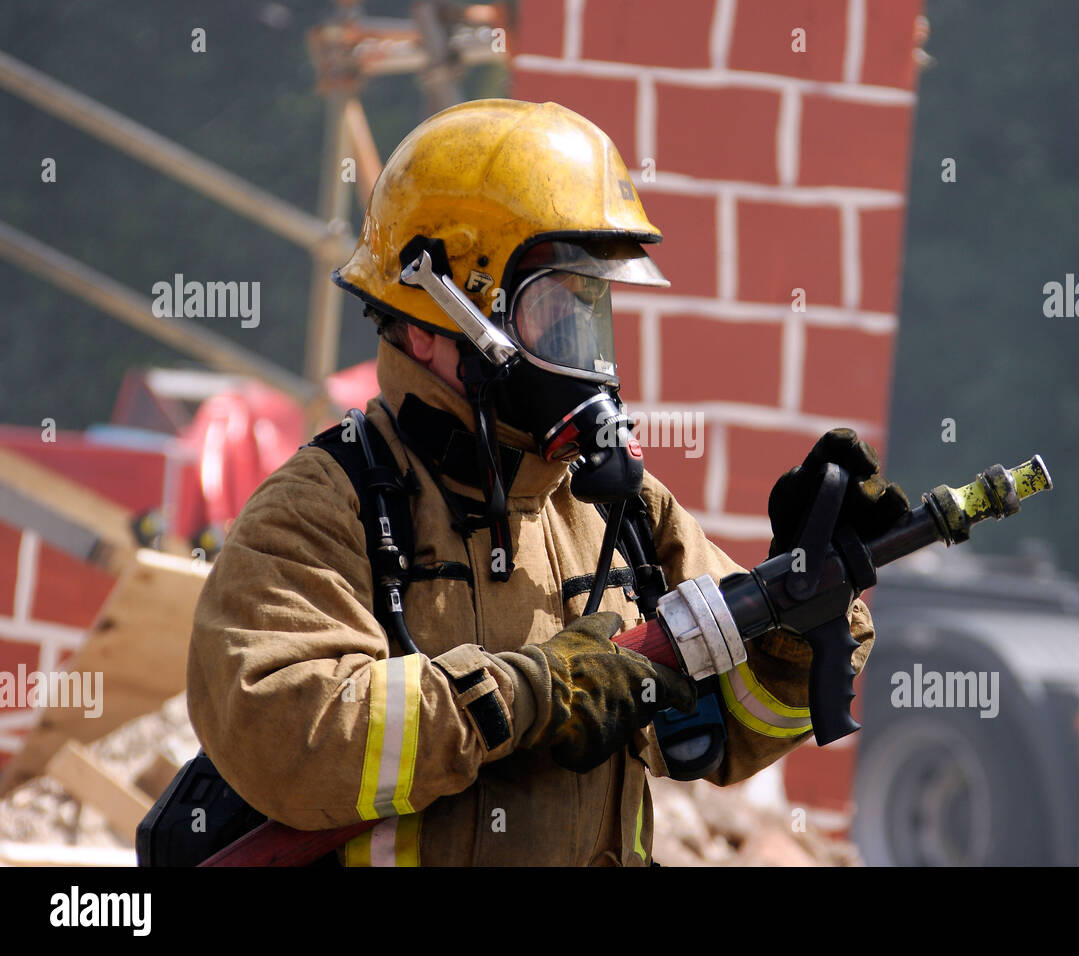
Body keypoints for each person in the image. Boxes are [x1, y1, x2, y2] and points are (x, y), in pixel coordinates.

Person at [187, 99, 907, 866]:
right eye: (554, 313)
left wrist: (801, 615)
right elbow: (284, 736)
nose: (583, 356)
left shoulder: (616, 512)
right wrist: (526, 696)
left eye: (591, 316)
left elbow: (726, 731)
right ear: (432, 317)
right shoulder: (328, 508)